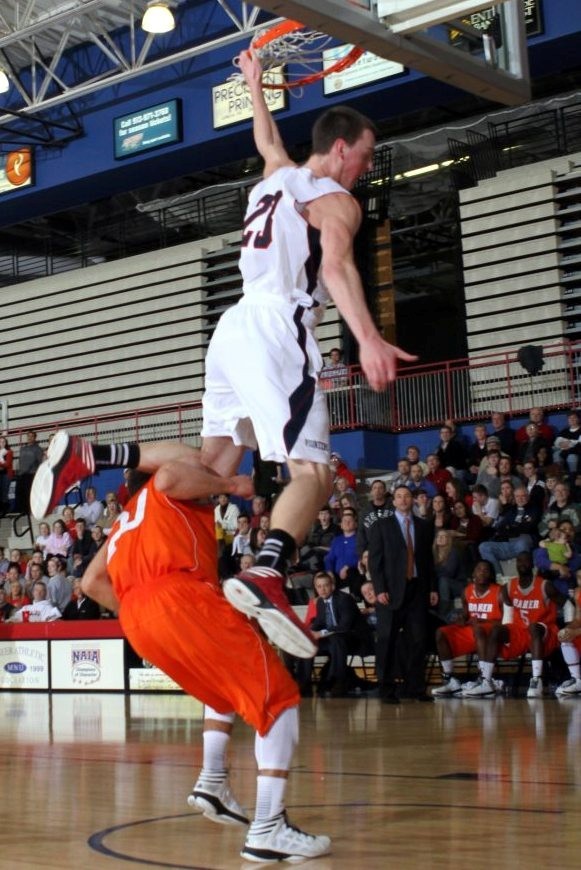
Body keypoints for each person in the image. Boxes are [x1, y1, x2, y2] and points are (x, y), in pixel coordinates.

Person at [196, 47, 415, 658]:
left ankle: (109, 461)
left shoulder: (276, 176)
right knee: (314, 474)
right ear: (341, 148)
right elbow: (338, 266)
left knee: (213, 468)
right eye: (365, 155)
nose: (366, 168)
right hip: (278, 327)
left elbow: (267, 140)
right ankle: (266, 572)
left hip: (232, 325)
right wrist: (367, 337)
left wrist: (255, 83)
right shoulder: (335, 200)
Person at [79, 445, 330, 862]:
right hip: (177, 596)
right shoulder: (162, 490)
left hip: (139, 619)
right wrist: (230, 484)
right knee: (279, 698)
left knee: (224, 690)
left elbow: (90, 582)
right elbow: (169, 477)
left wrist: (150, 615)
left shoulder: (126, 520)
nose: (196, 463)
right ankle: (269, 827)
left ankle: (213, 778)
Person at [367, 486, 438, 703]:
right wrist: (379, 589)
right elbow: (375, 561)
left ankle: (415, 688)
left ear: (413, 500)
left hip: (417, 588)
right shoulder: (381, 525)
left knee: (418, 639)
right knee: (387, 639)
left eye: (407, 496)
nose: (403, 499)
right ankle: (386, 689)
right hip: (390, 591)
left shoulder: (423, 526)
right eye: (399, 496)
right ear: (394, 501)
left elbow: (428, 560)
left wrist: (432, 587)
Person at [463, 552, 567, 699]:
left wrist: (569, 625)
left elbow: (567, 604)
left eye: (526, 561)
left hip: (544, 630)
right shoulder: (509, 586)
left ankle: (536, 680)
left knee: (533, 627)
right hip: (520, 631)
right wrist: (504, 634)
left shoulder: (545, 585)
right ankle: (487, 681)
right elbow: (508, 615)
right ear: (516, 564)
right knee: (496, 630)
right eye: (519, 561)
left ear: (532, 564)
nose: (522, 564)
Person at [431, 560, 504, 697]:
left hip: (491, 631)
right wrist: (461, 618)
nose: (482, 572)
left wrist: (483, 621)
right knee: (441, 633)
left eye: (486, 570)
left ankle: (485, 679)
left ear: (490, 574)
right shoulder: (467, 591)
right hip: (473, 630)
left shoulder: (499, 591)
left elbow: (506, 622)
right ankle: (450, 679)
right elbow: (466, 614)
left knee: (479, 629)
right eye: (479, 569)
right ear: (473, 573)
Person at [296, 571, 374, 697]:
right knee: (308, 642)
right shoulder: (320, 602)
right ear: (315, 588)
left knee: (337, 638)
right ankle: (304, 684)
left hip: (354, 639)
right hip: (333, 640)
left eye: (325, 585)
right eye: (319, 586)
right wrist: (309, 633)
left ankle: (339, 681)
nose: (322, 589)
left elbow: (344, 626)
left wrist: (320, 633)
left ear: (332, 586)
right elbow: (319, 622)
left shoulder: (344, 599)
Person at [555, 568, 581, 696]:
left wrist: (576, 632)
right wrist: (568, 629)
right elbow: (578, 619)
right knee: (566, 637)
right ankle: (577, 680)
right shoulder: (578, 593)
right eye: (579, 577)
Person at [15, 430, 44, 513]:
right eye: (28, 436)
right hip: (21, 474)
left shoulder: (38, 449)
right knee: (19, 493)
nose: (29, 438)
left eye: (32, 436)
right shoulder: (23, 448)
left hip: (31, 474)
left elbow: (40, 462)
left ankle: (29, 511)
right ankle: (20, 511)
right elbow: (20, 461)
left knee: (29, 494)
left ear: (35, 438)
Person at [0, 435, 14, 516]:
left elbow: (7, 464)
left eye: (3, 442)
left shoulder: (9, 452)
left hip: (6, 475)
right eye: (0, 442)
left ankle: (5, 511)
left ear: (6, 443)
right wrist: (2, 464)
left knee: (4, 493)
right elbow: (4, 464)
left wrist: (1, 465)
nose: (1, 443)